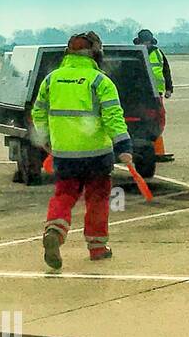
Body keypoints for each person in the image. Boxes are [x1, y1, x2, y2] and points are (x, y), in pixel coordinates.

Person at [30, 32, 132, 268]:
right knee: (97, 198)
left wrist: (46, 138)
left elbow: (38, 112)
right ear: (96, 53)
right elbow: (113, 117)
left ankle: (55, 230)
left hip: (64, 152)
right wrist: (124, 146)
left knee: (64, 195)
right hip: (96, 153)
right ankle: (97, 248)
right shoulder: (99, 81)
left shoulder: (52, 79)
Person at [133, 28, 173, 158]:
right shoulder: (135, 54)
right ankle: (148, 146)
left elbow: (166, 70)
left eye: (148, 42)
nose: (146, 44)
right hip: (140, 93)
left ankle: (154, 146)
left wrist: (169, 88)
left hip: (156, 92)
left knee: (158, 118)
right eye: (144, 42)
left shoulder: (158, 53)